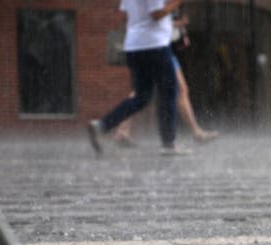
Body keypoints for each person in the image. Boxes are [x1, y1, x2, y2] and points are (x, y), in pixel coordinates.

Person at [87, 0, 187, 156]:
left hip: (134, 46)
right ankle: (168, 144)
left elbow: (130, 16)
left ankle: (101, 126)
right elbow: (155, 14)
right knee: (168, 92)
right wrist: (177, 3)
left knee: (141, 97)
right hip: (155, 46)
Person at [113, 14, 218, 147]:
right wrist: (178, 23)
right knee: (148, 92)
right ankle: (194, 133)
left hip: (160, 47)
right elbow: (152, 21)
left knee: (173, 90)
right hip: (156, 48)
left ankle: (122, 131)